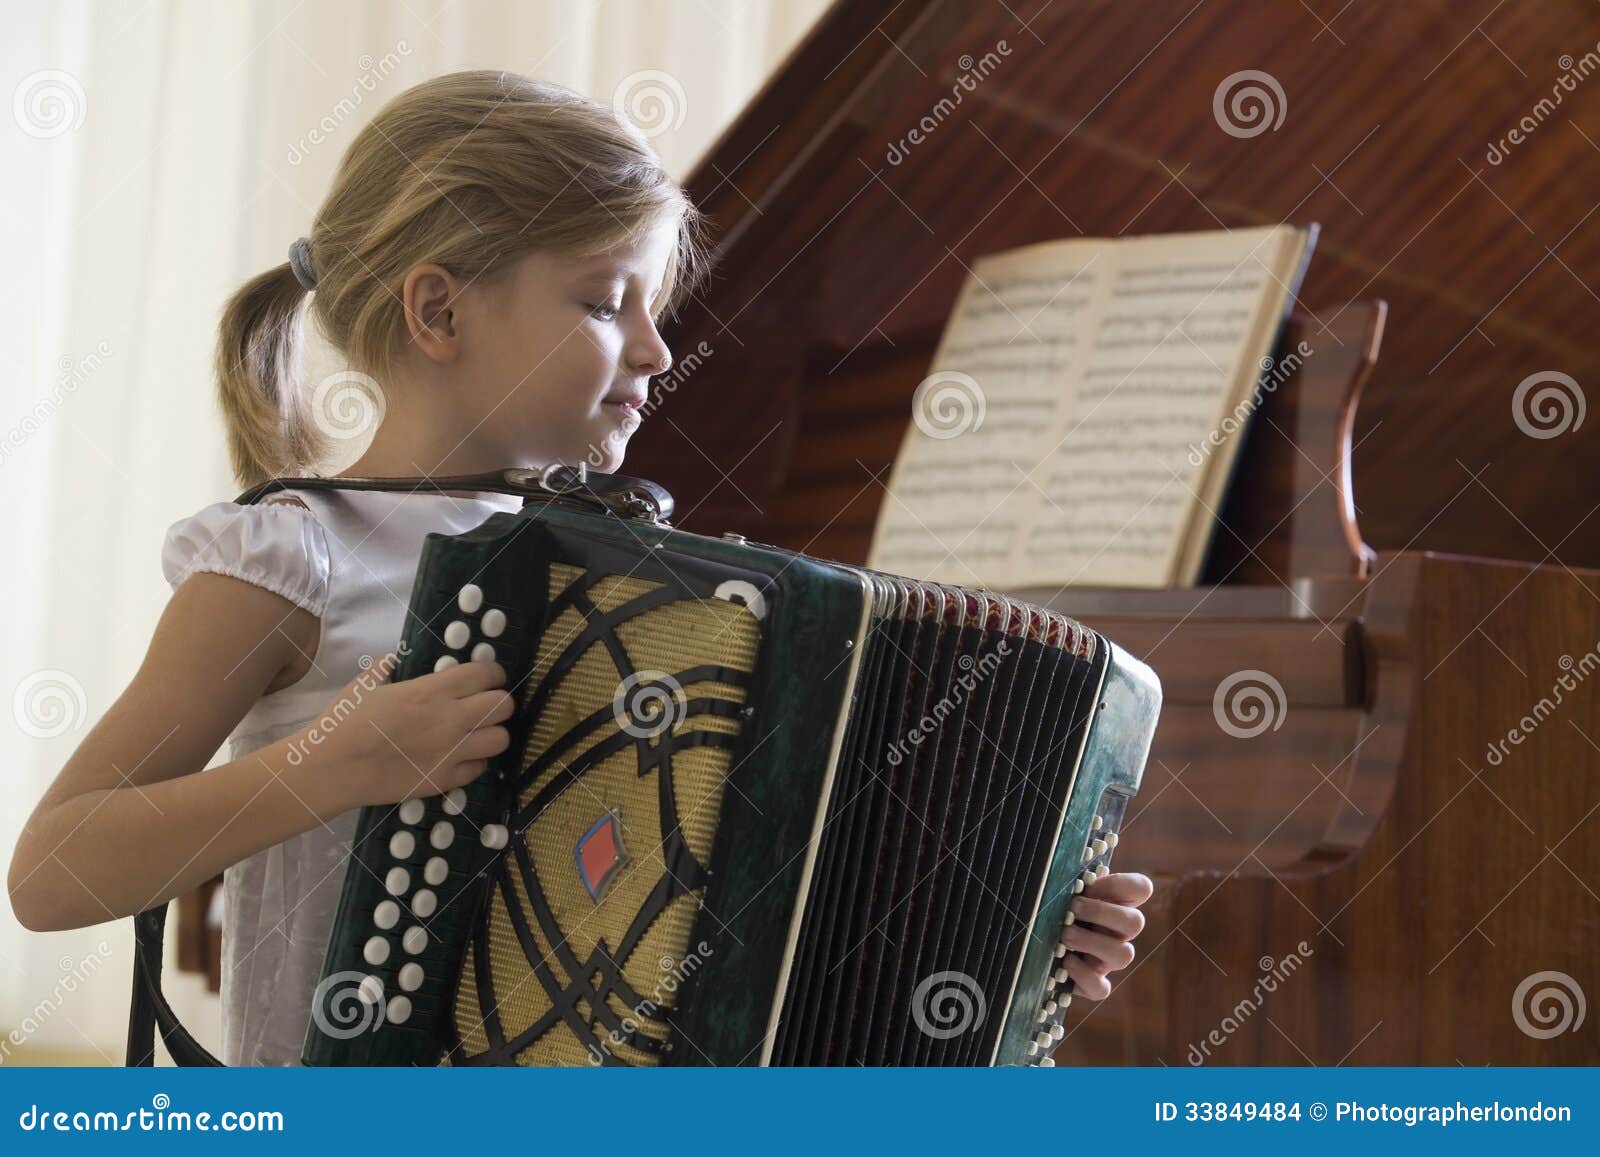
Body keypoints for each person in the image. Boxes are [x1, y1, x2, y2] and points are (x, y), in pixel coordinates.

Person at [7, 69, 1151, 1066]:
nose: (656, 350)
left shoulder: (666, 597)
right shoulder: (293, 552)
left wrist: (1014, 921)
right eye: (607, 302)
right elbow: (54, 872)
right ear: (439, 309)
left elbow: (771, 873)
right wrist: (333, 762)